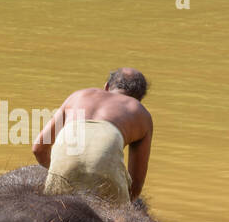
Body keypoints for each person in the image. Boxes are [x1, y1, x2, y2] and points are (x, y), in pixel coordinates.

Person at [32, 67, 152, 204]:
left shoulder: (78, 96)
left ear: (106, 86)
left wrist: (58, 172)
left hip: (64, 167)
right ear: (139, 98)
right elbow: (136, 185)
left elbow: (38, 148)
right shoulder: (140, 112)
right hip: (105, 172)